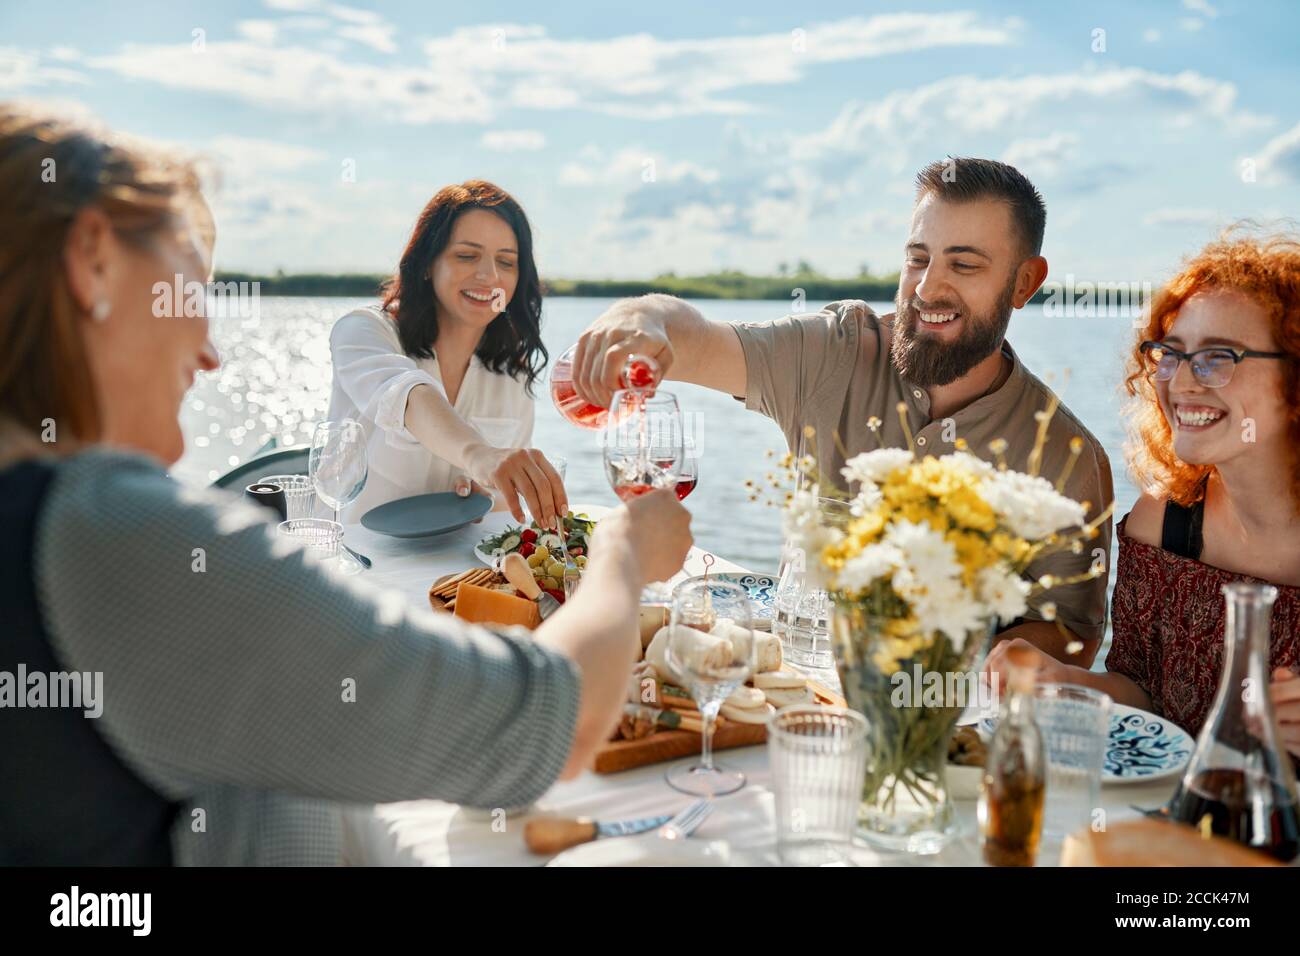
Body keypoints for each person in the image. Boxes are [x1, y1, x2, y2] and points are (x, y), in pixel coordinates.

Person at [0, 104, 692, 864]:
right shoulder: (114, 532)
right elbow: (533, 725)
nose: (211, 357)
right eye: (189, 291)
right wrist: (623, 555)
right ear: (92, 260)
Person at [573, 157, 1113, 665]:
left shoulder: (1067, 456)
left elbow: (1071, 633)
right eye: (917, 259)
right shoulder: (838, 351)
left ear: (1025, 283)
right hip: (792, 691)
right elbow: (695, 340)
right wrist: (640, 319)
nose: (927, 288)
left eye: (964, 264)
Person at [986, 231, 1300, 753]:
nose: (1182, 382)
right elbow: (1144, 696)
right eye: (1170, 354)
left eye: (1218, 357)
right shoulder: (1164, 519)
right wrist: (1060, 680)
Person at [328, 180, 566, 527]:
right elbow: (408, 396)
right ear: (427, 264)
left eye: (506, 262)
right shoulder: (363, 331)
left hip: (455, 572)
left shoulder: (512, 372)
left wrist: (486, 498)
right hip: (355, 563)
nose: (488, 276)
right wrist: (479, 455)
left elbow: (502, 518)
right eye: (466, 256)